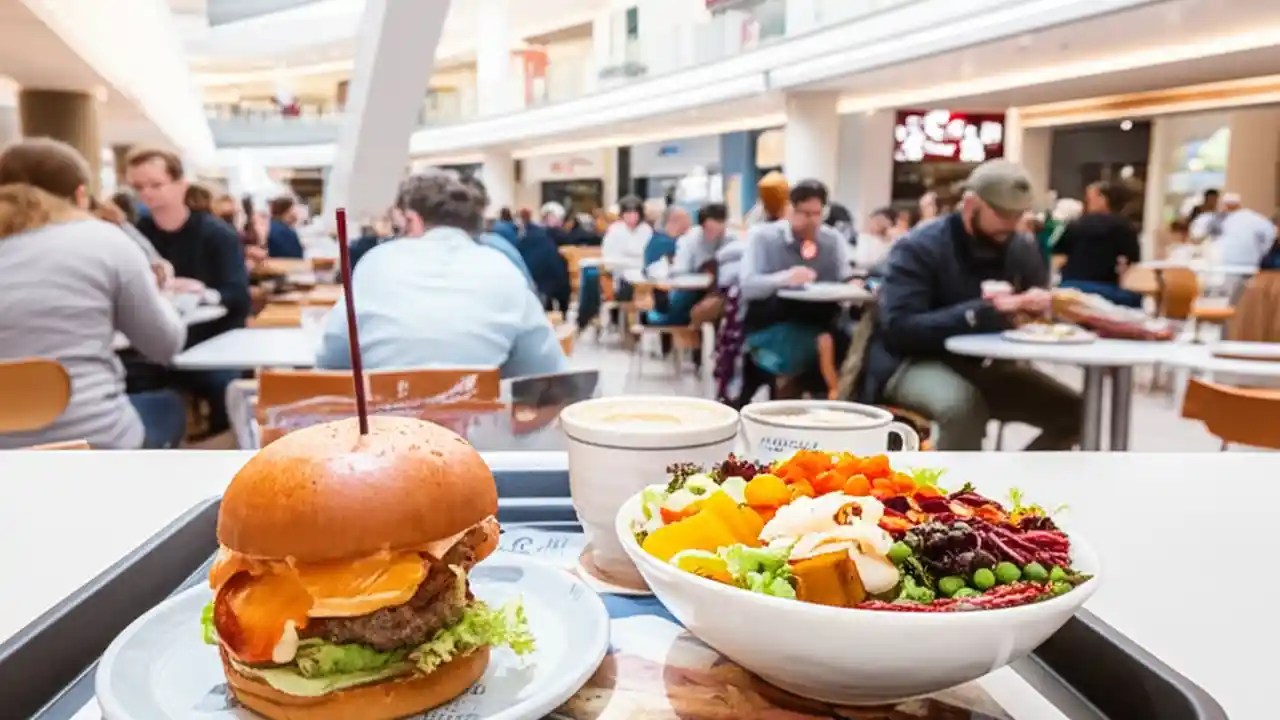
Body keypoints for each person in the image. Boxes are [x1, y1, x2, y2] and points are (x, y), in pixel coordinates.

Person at [863, 159, 1081, 451]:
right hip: (912, 362)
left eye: (1018, 215)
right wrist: (983, 312)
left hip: (988, 365)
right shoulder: (920, 247)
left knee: (1077, 412)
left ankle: (1015, 484)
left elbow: (1032, 306)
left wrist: (1039, 309)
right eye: (1003, 213)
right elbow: (900, 328)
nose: (1012, 224)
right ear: (970, 204)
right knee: (962, 409)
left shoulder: (1020, 247)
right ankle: (957, 494)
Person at [0, 138, 187, 449]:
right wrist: (165, 298)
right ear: (81, 195)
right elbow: (164, 345)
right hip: (94, 443)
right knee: (169, 405)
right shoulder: (105, 242)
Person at [315, 173, 568, 377]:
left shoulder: (375, 263)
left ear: (412, 220)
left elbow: (332, 359)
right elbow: (544, 371)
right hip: (473, 436)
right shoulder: (502, 269)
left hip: (384, 433)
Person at [128, 146, 250, 435]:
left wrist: (202, 291)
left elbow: (239, 297)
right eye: (138, 187)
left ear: (181, 184)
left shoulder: (217, 234)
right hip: (151, 347)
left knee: (224, 387)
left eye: (156, 185)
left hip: (210, 344)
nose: (147, 194)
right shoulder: (135, 234)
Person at [740, 180, 853, 402]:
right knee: (822, 345)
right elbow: (748, 286)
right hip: (772, 321)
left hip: (819, 318)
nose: (811, 220)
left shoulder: (831, 240)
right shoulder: (763, 237)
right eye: (804, 213)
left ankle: (836, 402)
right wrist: (784, 279)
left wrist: (855, 282)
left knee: (853, 343)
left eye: (817, 214)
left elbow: (845, 277)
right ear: (789, 209)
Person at [1052, 181, 1142, 307]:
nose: (1086, 202)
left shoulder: (1075, 224)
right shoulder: (1125, 227)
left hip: (1071, 290)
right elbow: (1131, 265)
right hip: (1107, 292)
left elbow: (1058, 259)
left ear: (1103, 199)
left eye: (1089, 199)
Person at [1212, 193, 1276, 267]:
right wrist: (1262, 251)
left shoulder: (1251, 217)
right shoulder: (1254, 217)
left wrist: (1261, 251)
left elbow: (1270, 233)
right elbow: (1270, 233)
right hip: (1244, 263)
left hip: (1234, 263)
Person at [602, 196, 652, 268]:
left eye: (635, 213)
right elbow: (609, 259)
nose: (632, 216)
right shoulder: (615, 229)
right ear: (622, 214)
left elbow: (649, 256)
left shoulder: (646, 230)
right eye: (628, 213)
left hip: (642, 271)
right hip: (619, 272)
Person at [643, 206, 689, 273]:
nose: (687, 223)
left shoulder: (671, 239)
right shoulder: (661, 241)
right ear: (670, 222)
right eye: (683, 221)